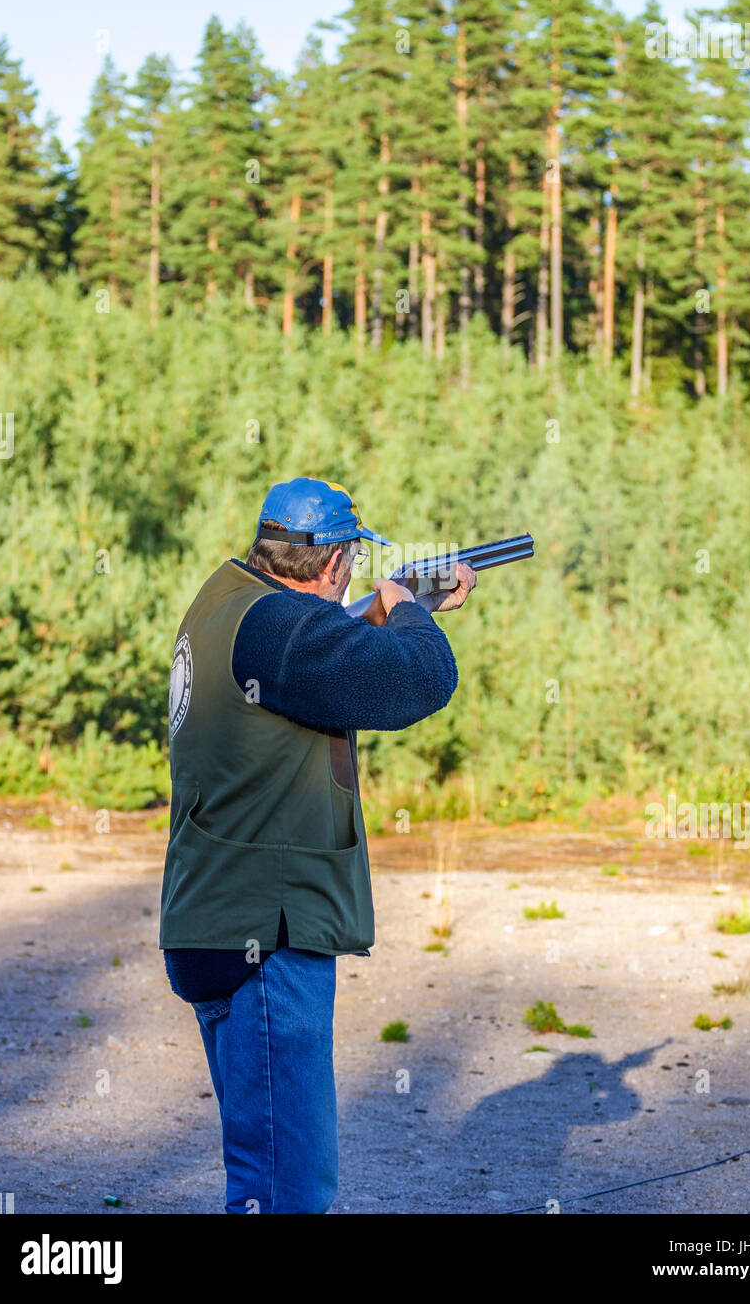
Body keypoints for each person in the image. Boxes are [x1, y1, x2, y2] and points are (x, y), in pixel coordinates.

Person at [159, 477, 476, 1213]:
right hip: (268, 935)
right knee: (288, 1189)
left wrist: (389, 609)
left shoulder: (227, 602)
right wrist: (404, 604)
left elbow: (318, 650)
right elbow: (421, 679)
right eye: (352, 565)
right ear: (335, 563)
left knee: (263, 1176)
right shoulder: (280, 629)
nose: (352, 577)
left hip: (217, 917)